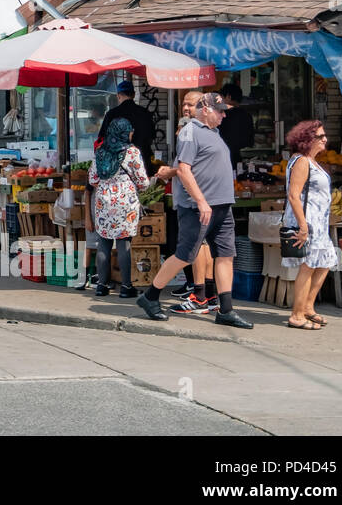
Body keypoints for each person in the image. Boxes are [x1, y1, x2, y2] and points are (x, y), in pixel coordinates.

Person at [137, 92, 252, 328]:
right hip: (198, 207)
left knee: (225, 255)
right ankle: (150, 296)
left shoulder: (214, 132)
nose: (223, 115)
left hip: (221, 205)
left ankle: (226, 310)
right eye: (220, 111)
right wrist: (201, 201)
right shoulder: (191, 131)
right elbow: (184, 169)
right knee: (184, 255)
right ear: (206, 109)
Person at [282, 120, 341, 330]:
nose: (325, 139)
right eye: (320, 136)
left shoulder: (311, 161)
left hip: (319, 222)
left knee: (325, 261)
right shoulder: (301, 162)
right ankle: (297, 315)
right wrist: (303, 226)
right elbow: (293, 195)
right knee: (308, 266)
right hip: (308, 222)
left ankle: (308, 306)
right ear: (307, 139)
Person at [163, 90, 216, 312]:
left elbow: (189, 168)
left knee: (195, 246)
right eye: (184, 104)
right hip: (199, 197)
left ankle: (200, 294)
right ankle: (209, 295)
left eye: (191, 105)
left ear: (202, 108)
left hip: (193, 198)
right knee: (204, 245)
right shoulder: (199, 130)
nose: (186, 108)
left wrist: (170, 171)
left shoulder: (192, 132)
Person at [88, 117, 151, 297]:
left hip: (103, 202)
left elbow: (93, 179)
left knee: (104, 243)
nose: (132, 133)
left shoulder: (101, 151)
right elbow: (143, 182)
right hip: (125, 202)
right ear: (123, 132)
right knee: (124, 244)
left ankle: (101, 285)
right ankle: (126, 287)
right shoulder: (132, 152)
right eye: (130, 130)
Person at [97, 80, 156, 174]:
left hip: (118, 165)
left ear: (118, 95)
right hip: (144, 162)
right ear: (133, 95)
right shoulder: (145, 113)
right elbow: (152, 137)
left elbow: (102, 139)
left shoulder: (112, 114)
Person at [217, 82, 255, 170]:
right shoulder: (247, 115)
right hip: (240, 157)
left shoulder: (222, 115)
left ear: (228, 97)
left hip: (223, 158)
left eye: (222, 97)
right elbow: (250, 140)